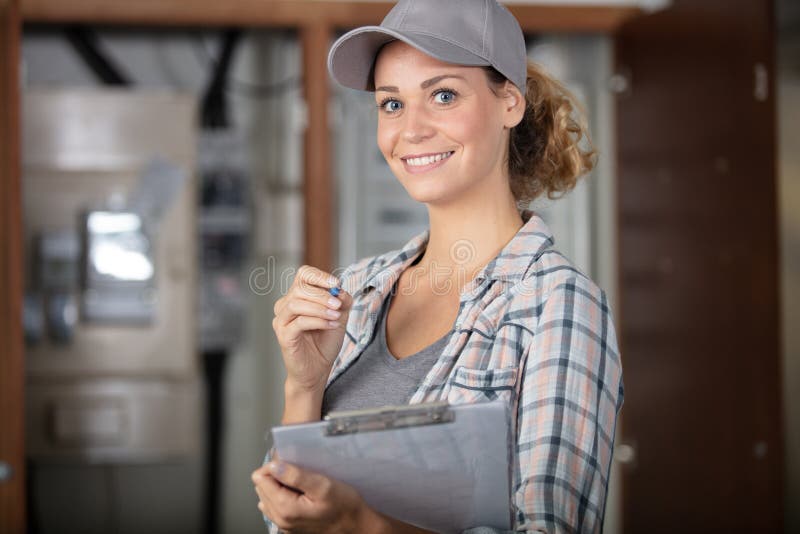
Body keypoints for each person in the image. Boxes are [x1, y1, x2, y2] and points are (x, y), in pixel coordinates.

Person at [251, 0, 624, 531]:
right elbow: (286, 517)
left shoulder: (559, 305)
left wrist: (361, 524)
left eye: (443, 95)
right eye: (392, 104)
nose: (411, 130)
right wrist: (304, 387)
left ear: (509, 103)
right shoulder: (356, 289)